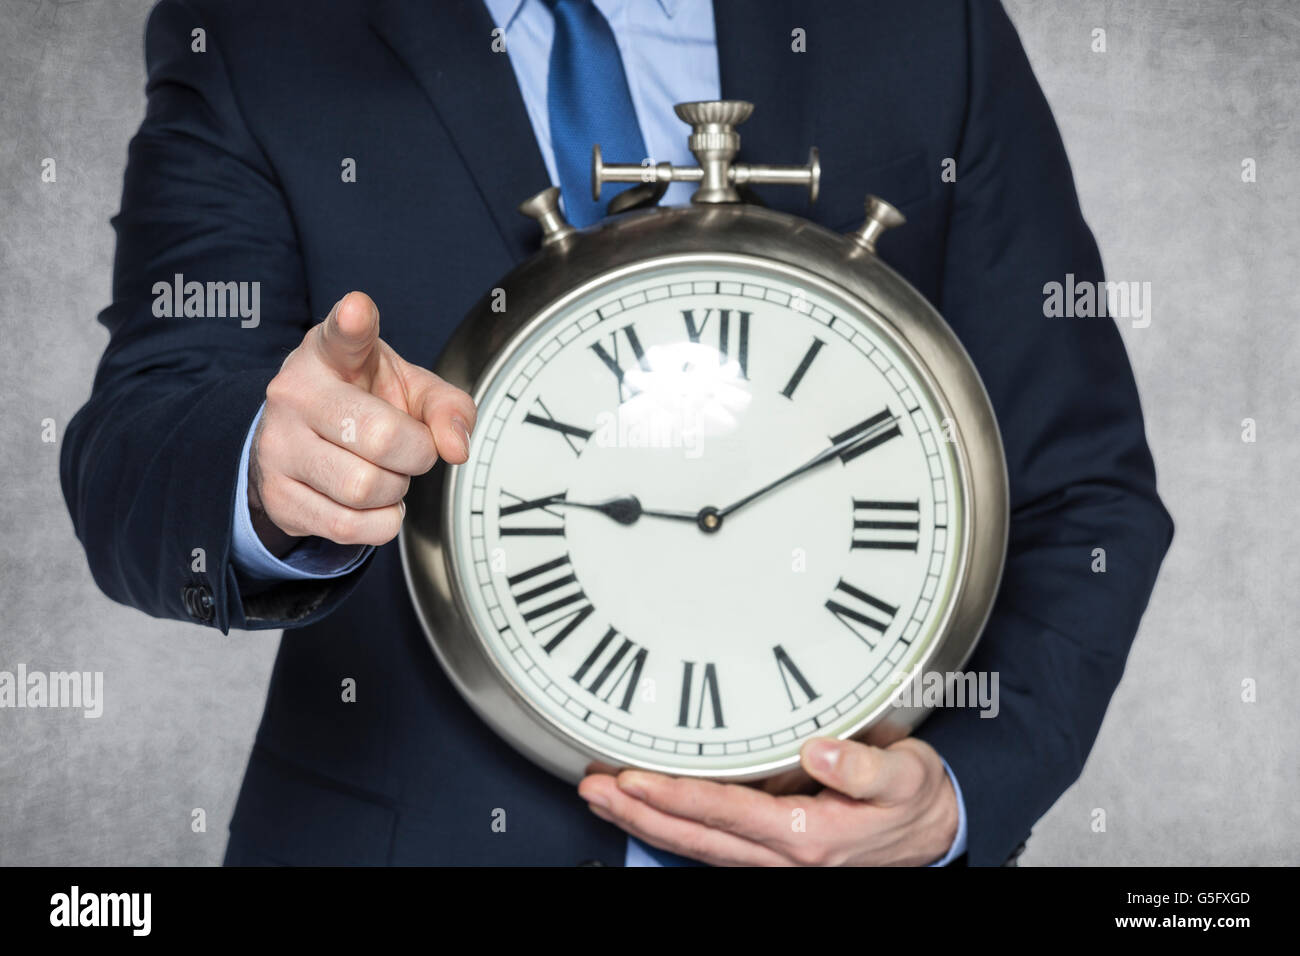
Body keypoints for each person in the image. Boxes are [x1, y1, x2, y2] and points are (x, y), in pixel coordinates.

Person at [61, 0, 1172, 866]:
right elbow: (139, 442)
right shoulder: (263, 34)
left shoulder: (923, 23)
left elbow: (1084, 492)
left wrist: (953, 797)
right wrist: (267, 471)